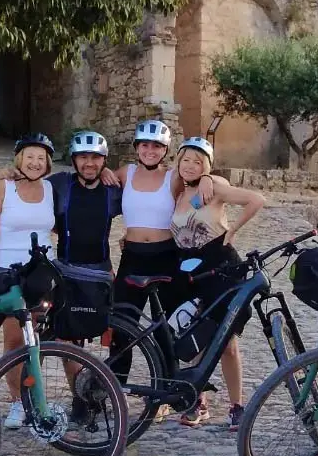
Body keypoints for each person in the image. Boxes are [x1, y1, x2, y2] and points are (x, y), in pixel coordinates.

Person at [100, 120, 212, 403]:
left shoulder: (173, 177)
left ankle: (170, 392)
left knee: (169, 328)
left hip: (166, 257)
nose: (150, 151)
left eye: (157, 146)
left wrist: (210, 178)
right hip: (133, 258)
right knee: (123, 326)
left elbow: (199, 181)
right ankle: (114, 390)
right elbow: (99, 179)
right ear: (137, 147)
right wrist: (102, 170)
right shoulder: (126, 172)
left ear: (165, 150)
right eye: (145, 145)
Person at [169, 136, 265, 430]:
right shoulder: (179, 192)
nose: (190, 166)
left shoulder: (215, 188)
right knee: (196, 336)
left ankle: (237, 406)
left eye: (199, 162)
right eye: (186, 159)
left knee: (226, 342)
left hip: (220, 265)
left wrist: (233, 229)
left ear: (208, 165)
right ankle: (199, 402)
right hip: (190, 268)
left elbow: (256, 200)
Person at [0, 132, 56, 429]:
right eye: (29, 157)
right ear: (19, 159)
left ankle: (33, 395)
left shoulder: (50, 188)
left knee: (34, 339)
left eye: (40, 158)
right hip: (8, 273)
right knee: (12, 341)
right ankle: (17, 403)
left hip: (40, 274)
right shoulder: (4, 187)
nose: (35, 163)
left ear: (47, 163)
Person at [51, 131, 122, 426]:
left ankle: (104, 392)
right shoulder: (61, 184)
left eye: (96, 158)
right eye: (83, 157)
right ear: (74, 160)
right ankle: (80, 397)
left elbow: (147, 184)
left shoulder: (112, 190)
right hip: (68, 272)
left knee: (113, 340)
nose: (89, 163)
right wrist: (10, 171)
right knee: (69, 342)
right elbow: (28, 179)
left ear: (104, 160)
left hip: (101, 274)